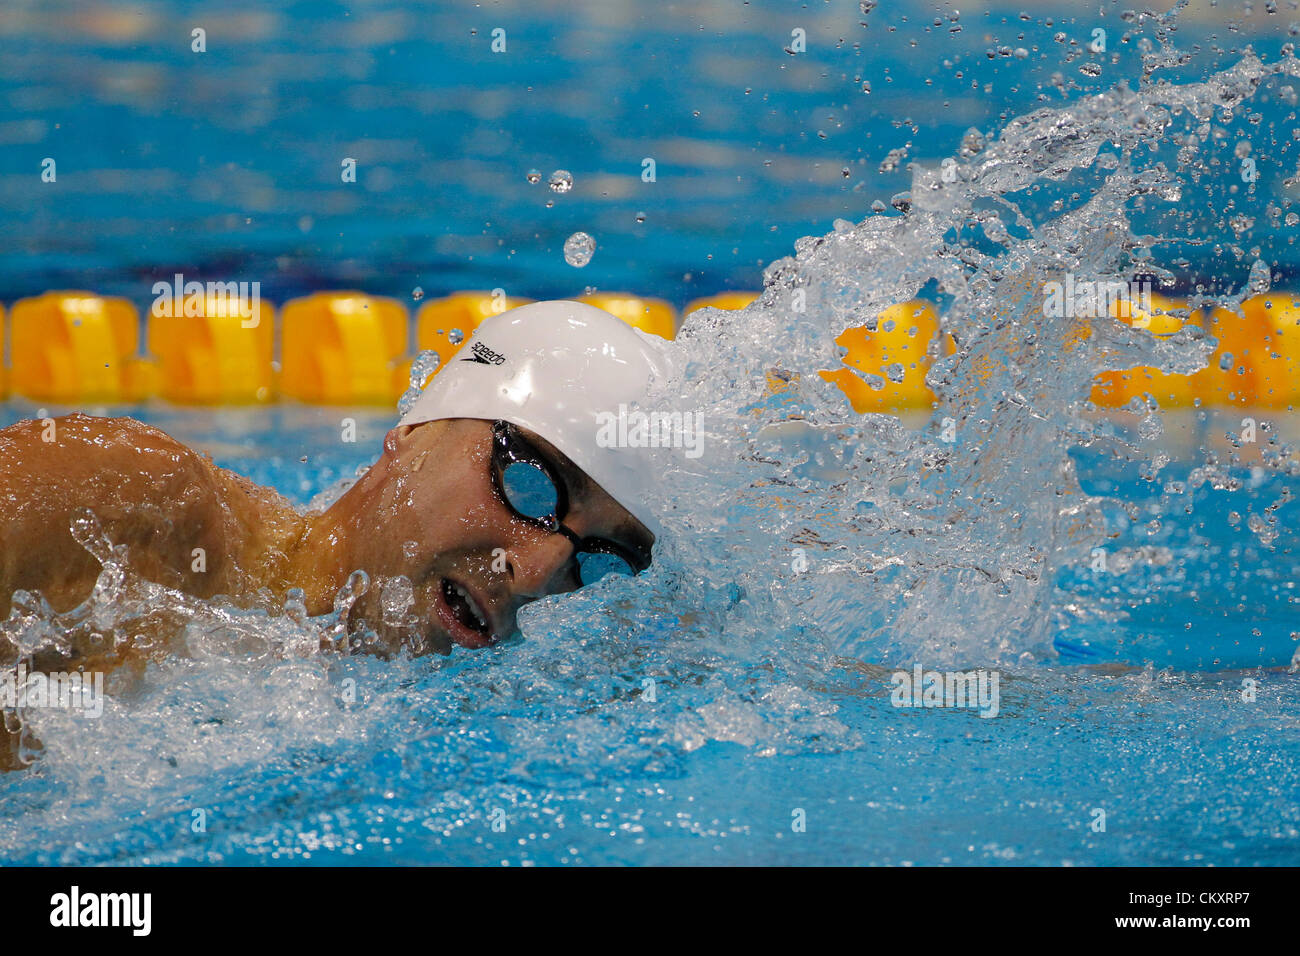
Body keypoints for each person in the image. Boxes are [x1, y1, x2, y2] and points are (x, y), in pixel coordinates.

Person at [0, 300, 671, 677]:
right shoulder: (141, 507)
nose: (536, 573)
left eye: (602, 557)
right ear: (413, 430)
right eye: (531, 484)